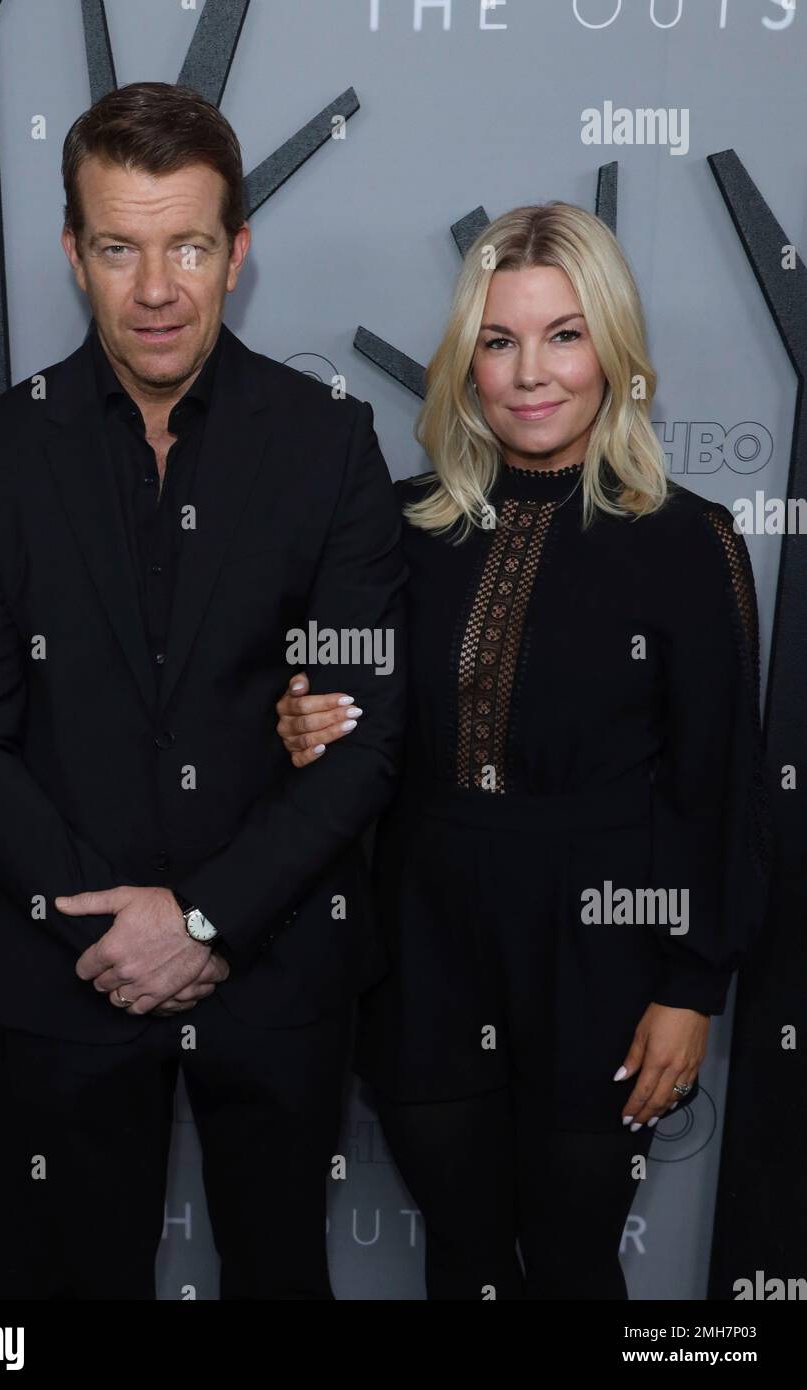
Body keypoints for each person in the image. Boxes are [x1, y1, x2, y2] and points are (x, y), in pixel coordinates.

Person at [0, 81, 407, 1300]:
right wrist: (118, 932)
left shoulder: (329, 443)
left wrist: (201, 919)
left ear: (236, 254)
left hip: (276, 964)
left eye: (188, 245)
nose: (155, 289)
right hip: (65, 975)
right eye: (120, 248)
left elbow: (365, 737)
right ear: (73, 254)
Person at [274, 202, 770, 1300]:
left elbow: (716, 787)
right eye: (498, 340)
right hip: (424, 953)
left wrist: (691, 986)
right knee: (461, 1261)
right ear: (465, 362)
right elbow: (339, 717)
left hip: (603, 963)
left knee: (572, 1262)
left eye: (563, 334)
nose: (529, 372)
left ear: (614, 353)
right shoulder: (395, 531)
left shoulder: (690, 542)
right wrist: (299, 722)